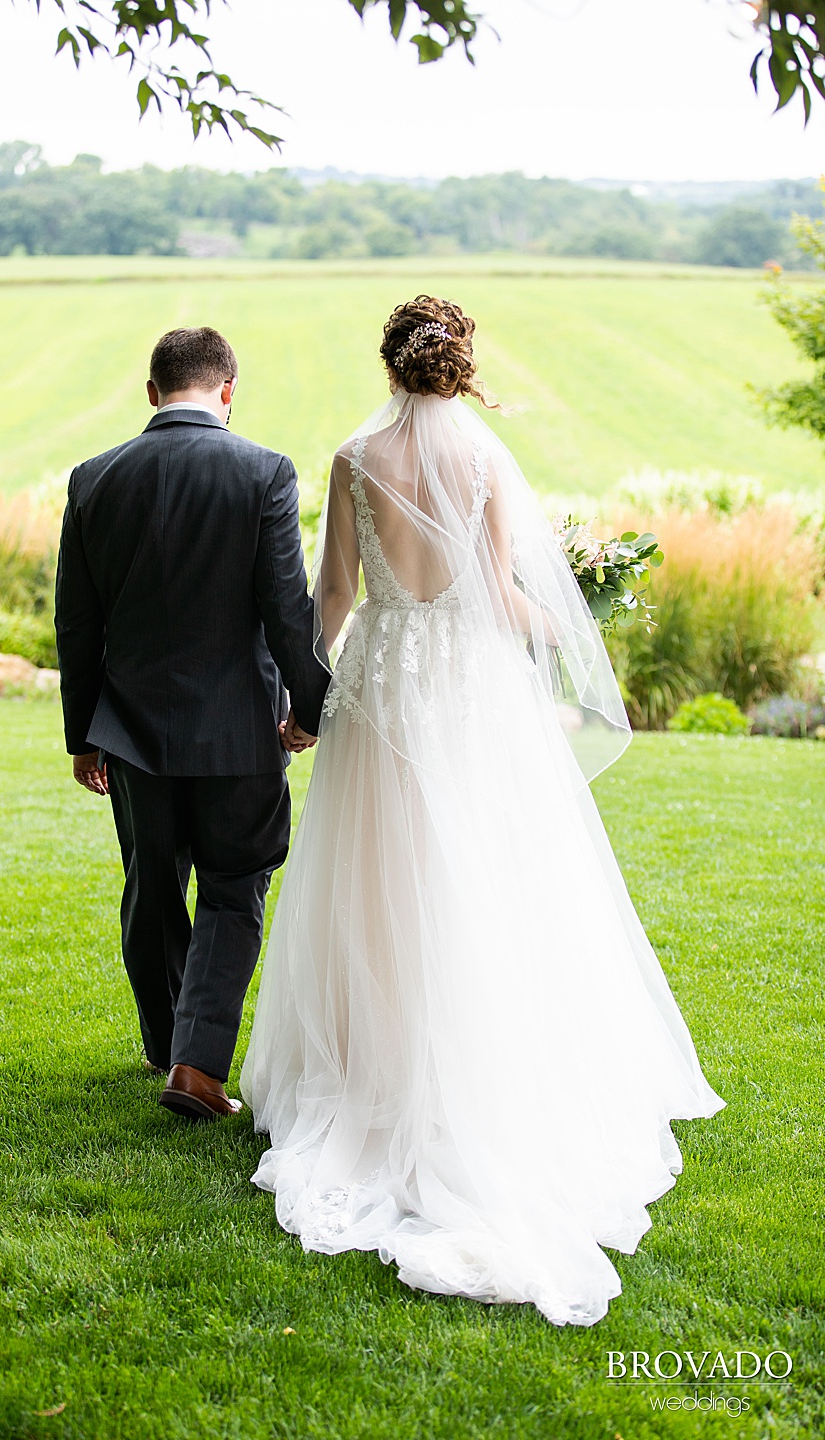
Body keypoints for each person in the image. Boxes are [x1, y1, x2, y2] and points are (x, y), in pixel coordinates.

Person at [240, 296, 724, 1326]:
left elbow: (334, 596)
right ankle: (484, 1056)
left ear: (390, 364)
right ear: (461, 367)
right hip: (471, 686)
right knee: (490, 868)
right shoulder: (484, 459)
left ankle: (372, 1067)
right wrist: (568, 619)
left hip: (383, 682)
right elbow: (501, 593)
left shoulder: (352, 457)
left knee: (377, 875)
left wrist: (303, 698)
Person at [54, 325, 332, 1122]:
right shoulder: (264, 471)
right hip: (241, 730)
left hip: (131, 731)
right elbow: (287, 610)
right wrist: (309, 709)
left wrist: (84, 735)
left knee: (152, 888)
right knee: (234, 888)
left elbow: (76, 622)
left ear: (152, 392)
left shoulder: (94, 478)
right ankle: (195, 1064)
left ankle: (166, 1045)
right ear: (228, 390)